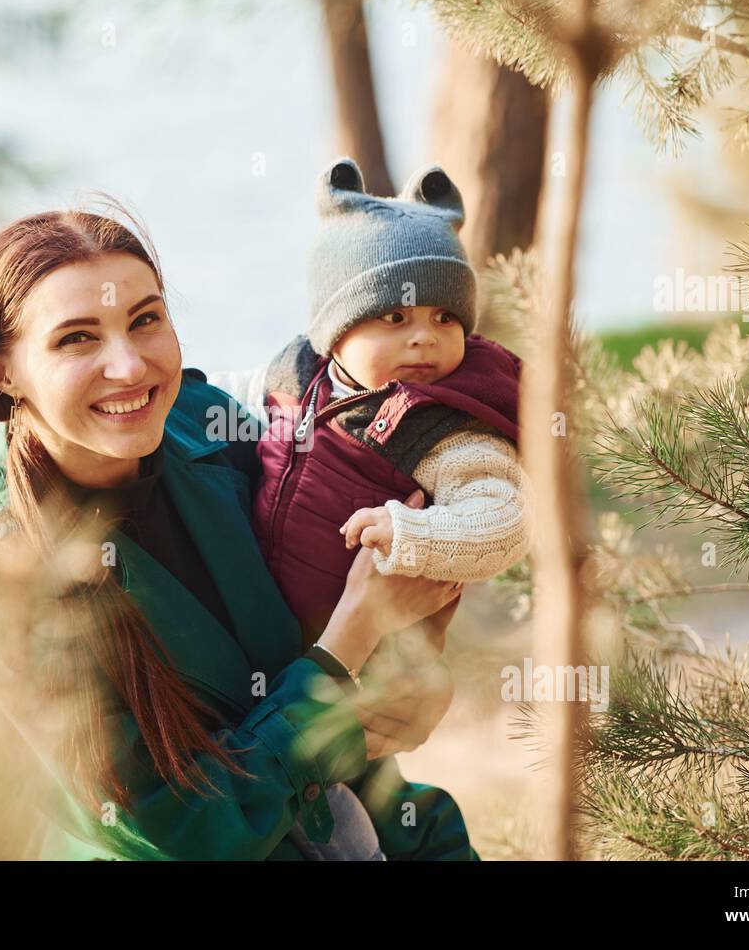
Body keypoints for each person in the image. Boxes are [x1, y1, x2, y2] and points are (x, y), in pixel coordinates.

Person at [0, 201, 479, 860]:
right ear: (3, 371)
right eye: (77, 338)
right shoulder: (2, 581)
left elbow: (330, 589)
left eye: (146, 321)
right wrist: (348, 644)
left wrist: (409, 678)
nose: (131, 366)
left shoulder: (208, 423)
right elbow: (177, 832)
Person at [211, 156, 530, 861]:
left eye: (445, 316)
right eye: (394, 315)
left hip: (360, 680)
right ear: (335, 327)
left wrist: (413, 532)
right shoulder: (295, 378)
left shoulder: (438, 426)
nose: (425, 336)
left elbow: (505, 520)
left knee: (335, 822)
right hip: (270, 657)